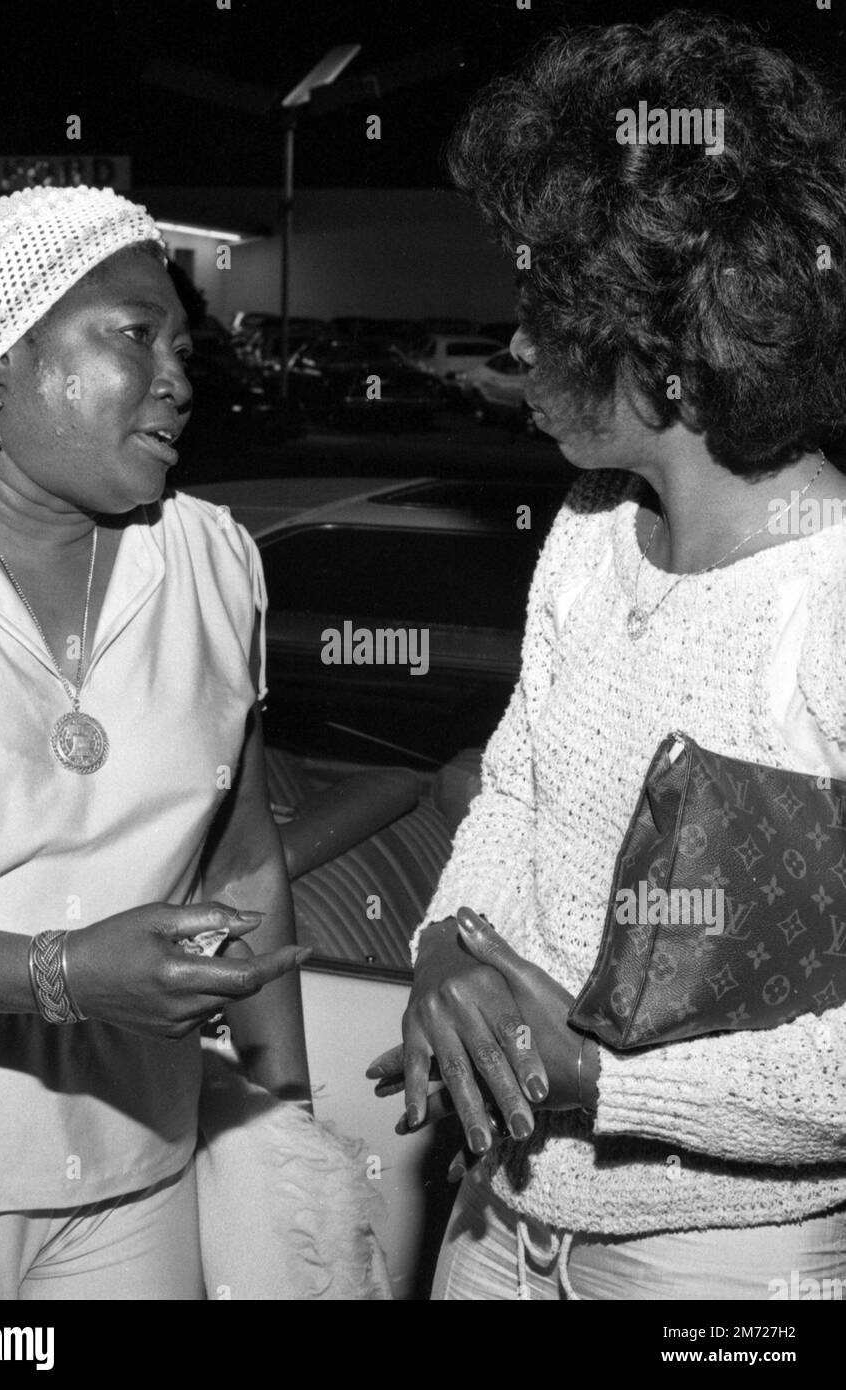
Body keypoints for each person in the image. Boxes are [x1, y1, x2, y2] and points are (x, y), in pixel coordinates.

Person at [368, 10, 846, 1300]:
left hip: (719, 1273)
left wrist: (604, 1079)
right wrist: (442, 946)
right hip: (498, 1221)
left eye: (542, 304)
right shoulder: (588, 538)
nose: (513, 342)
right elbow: (513, 783)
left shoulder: (827, 599)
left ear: (673, 346)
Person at [0, 185, 313, 1300]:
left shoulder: (215, 561)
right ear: (3, 359)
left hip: (142, 1169)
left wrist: (285, 1116)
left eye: (185, 344)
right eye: (136, 337)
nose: (179, 375)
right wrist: (63, 973)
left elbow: (241, 857)